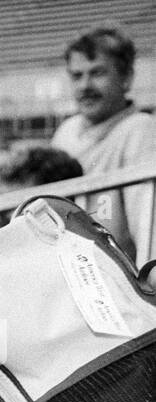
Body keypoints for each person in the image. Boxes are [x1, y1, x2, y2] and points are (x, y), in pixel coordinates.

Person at [50, 25, 156, 261]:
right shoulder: (66, 131)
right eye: (77, 76)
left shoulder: (140, 130)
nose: (85, 86)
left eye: (97, 73)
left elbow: (150, 230)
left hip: (118, 276)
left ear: (126, 78)